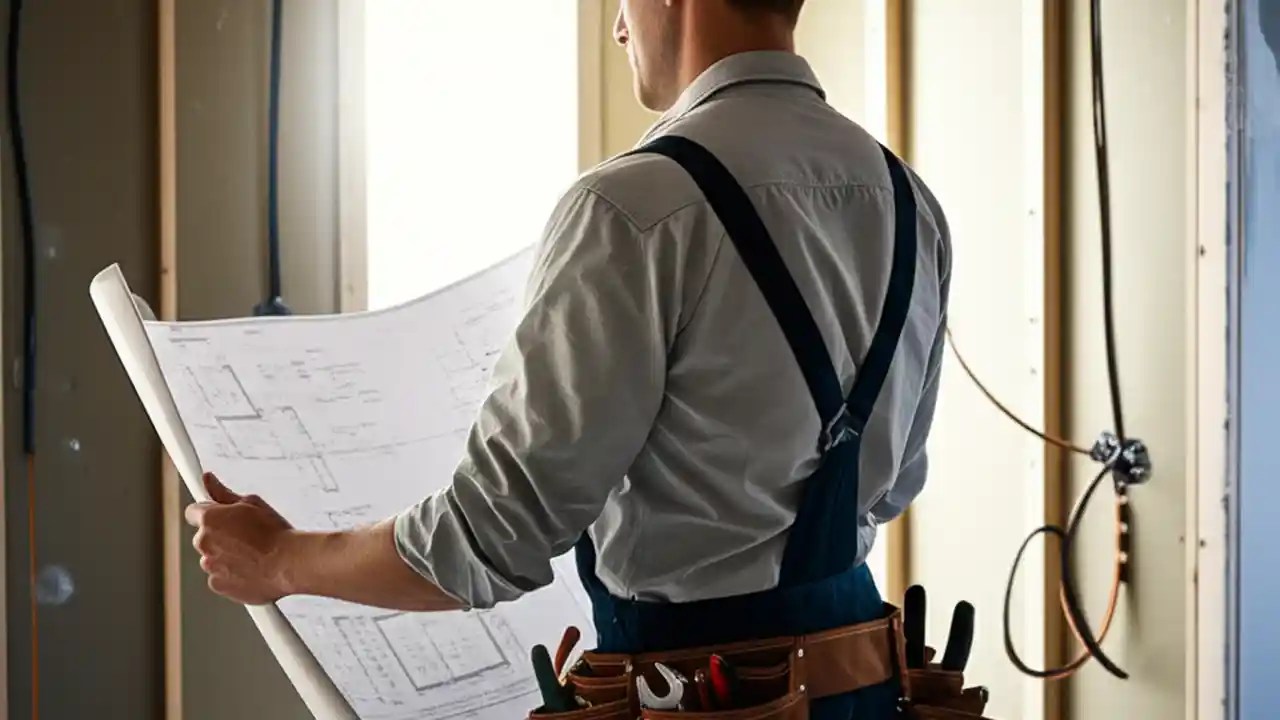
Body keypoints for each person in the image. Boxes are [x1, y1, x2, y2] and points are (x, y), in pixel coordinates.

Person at [185, 0, 951, 716]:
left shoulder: (632, 207)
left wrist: (281, 560)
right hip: (869, 687)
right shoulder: (910, 200)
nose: (619, 27)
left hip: (695, 696)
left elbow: (488, 538)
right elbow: (892, 485)